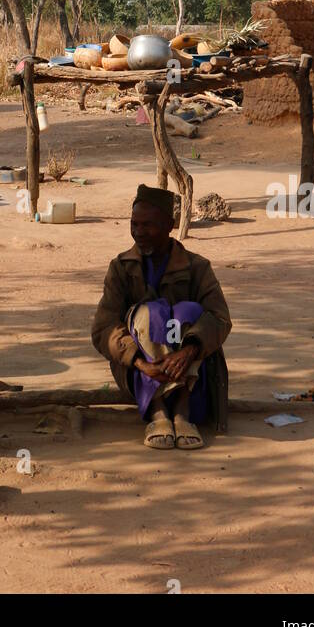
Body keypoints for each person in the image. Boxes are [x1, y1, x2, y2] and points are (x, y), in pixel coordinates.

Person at [91, 184, 231, 450]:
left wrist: (189, 351)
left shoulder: (197, 267)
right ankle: (158, 409)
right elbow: (103, 328)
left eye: (148, 225)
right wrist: (143, 365)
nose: (138, 233)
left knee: (186, 312)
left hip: (194, 376)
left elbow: (220, 317)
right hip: (142, 376)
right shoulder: (121, 268)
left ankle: (181, 408)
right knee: (152, 312)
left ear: (169, 225)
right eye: (134, 224)